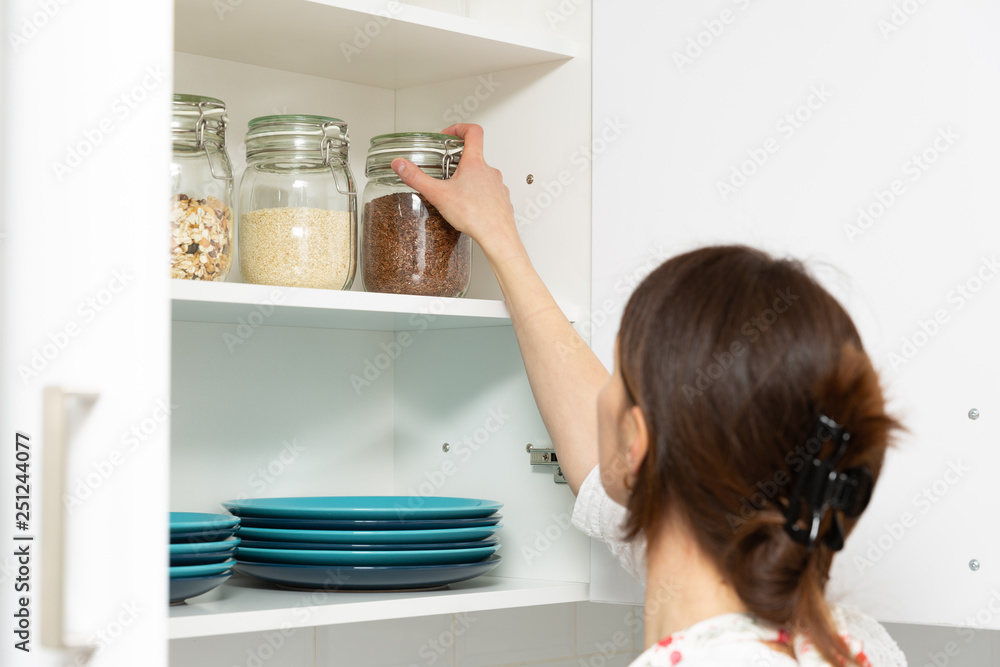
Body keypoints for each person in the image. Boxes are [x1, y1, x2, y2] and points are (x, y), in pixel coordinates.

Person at [391, 124, 907, 666]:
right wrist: (499, 238)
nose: (603, 397)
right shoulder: (853, 642)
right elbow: (605, 464)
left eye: (619, 374)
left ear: (637, 445)